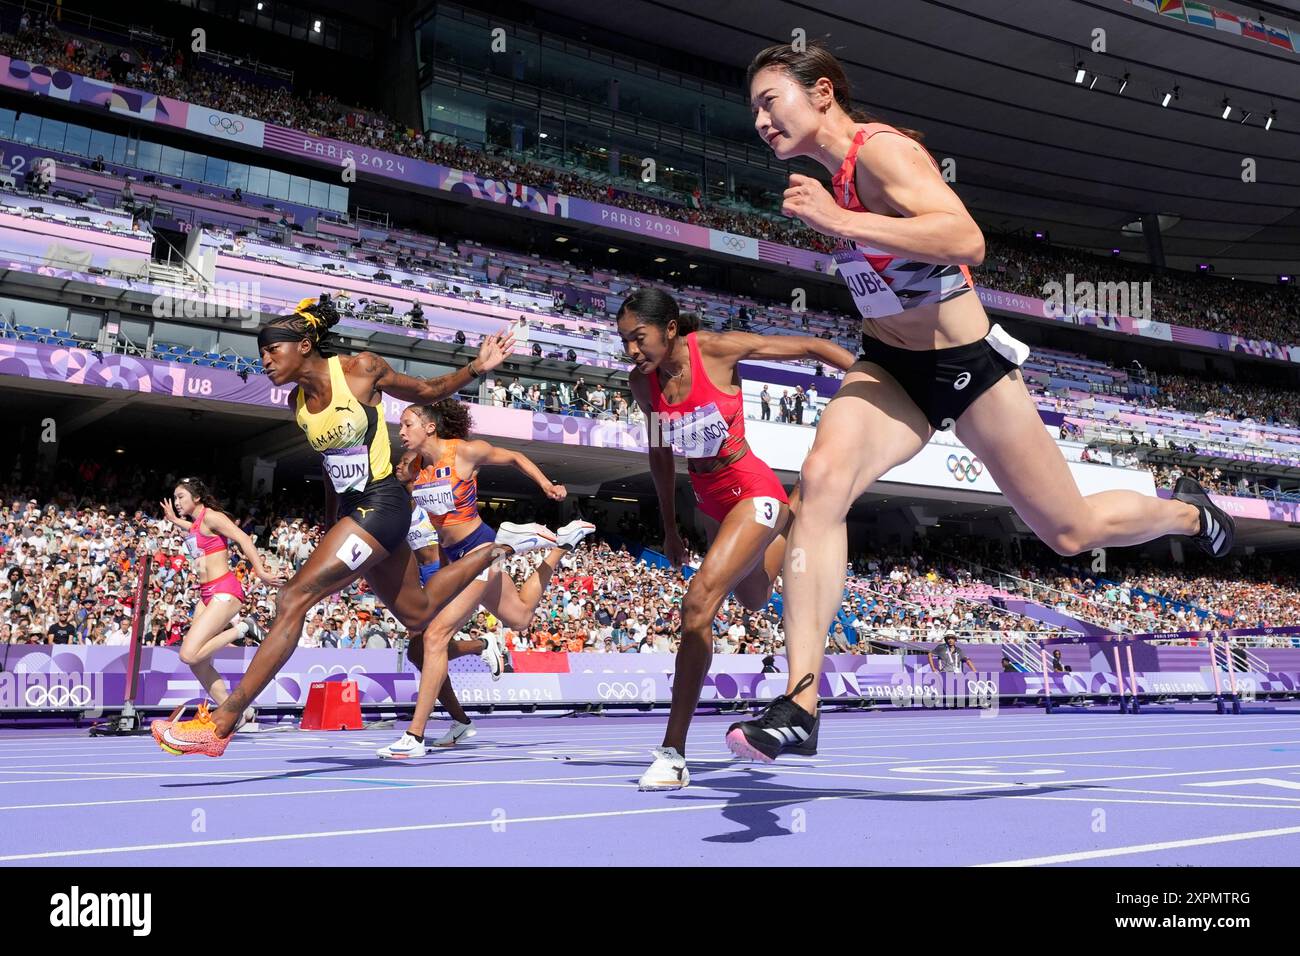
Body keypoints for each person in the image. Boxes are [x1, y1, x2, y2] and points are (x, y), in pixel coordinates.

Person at [726, 42, 1235, 763]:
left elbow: (965, 238)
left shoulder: (882, 153)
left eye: (769, 100)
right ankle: (800, 703)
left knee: (1070, 531)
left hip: (969, 369)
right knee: (822, 484)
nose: (760, 120)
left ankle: (1189, 512)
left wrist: (844, 225)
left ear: (822, 94)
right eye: (753, 109)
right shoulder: (826, 176)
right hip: (891, 367)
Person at [157, 294, 554, 756]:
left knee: (293, 598)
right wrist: (333, 523)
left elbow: (425, 392)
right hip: (355, 513)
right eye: (261, 353)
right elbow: (332, 466)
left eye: (272, 351)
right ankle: (497, 548)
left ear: (304, 345)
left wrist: (475, 369)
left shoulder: (361, 369)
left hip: (383, 503)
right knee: (418, 613)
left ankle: (221, 724)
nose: (264, 361)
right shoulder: (297, 402)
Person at [617, 287, 854, 790]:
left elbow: (810, 347)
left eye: (639, 339)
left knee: (698, 604)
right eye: (625, 343)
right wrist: (669, 526)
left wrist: (865, 379)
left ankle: (672, 753)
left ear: (671, 328)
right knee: (752, 598)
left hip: (750, 486)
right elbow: (661, 458)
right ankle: (790, 520)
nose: (632, 352)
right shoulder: (644, 387)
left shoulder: (717, 350)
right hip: (709, 502)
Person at [377, 399, 594, 758]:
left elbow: (514, 458)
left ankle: (414, 736)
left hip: (479, 550)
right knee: (520, 617)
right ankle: (562, 544)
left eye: (407, 424)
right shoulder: (415, 468)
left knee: (435, 638)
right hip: (453, 561)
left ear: (429, 427)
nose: (401, 432)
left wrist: (546, 486)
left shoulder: (463, 452)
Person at [152, 477, 284, 742]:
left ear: (197, 497)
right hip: (206, 594)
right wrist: (174, 520)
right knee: (198, 665)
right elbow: (194, 529)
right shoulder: (198, 523)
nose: (177, 502)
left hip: (225, 590)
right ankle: (239, 712)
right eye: (175, 498)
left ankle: (243, 628)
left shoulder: (212, 516)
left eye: (181, 497)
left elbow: (243, 538)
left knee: (188, 655)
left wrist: (259, 571)